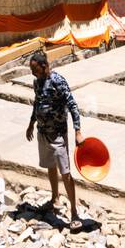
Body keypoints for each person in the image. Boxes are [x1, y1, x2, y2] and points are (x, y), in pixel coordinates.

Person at [26, 49, 85, 231]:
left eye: (35, 70)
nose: (33, 74)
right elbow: (37, 103)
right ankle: (55, 199)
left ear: (44, 67)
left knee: (65, 173)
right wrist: (30, 124)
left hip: (58, 134)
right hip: (43, 132)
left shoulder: (58, 81)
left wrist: (78, 131)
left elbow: (72, 105)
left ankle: (74, 213)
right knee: (50, 166)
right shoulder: (37, 82)